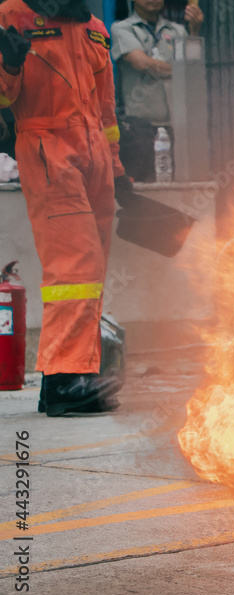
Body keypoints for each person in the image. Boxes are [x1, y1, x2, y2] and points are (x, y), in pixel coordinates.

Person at [0, 0, 129, 415]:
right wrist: (9, 65)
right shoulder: (12, 15)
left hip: (96, 158)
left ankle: (80, 370)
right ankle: (60, 380)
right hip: (47, 146)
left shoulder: (94, 26)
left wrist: (118, 166)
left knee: (92, 270)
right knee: (75, 265)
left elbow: (105, 109)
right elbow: (4, 96)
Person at [110, 0, 203, 125]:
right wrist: (182, 70)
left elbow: (194, 65)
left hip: (176, 123)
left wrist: (194, 31)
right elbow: (142, 64)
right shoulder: (123, 29)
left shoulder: (177, 30)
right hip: (139, 124)